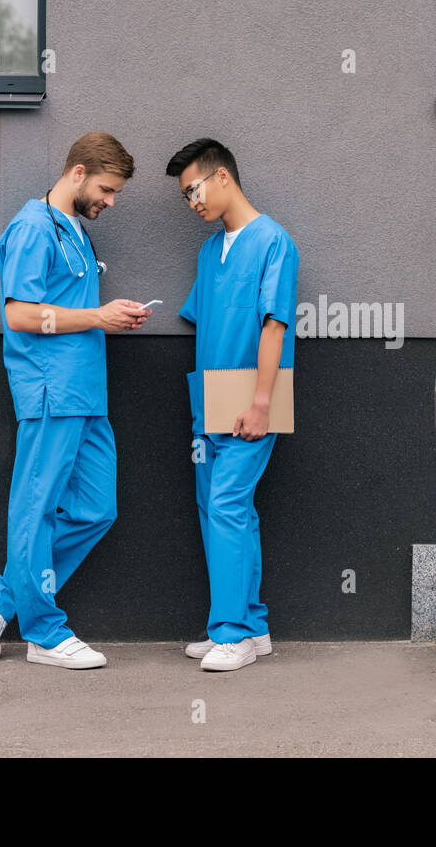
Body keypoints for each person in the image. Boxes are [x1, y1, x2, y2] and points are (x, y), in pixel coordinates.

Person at [0, 133, 151, 669]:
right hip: (50, 391)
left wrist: (109, 316)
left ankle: (3, 597)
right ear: (77, 173)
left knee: (97, 508)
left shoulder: (74, 229)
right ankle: (45, 632)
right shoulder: (32, 226)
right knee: (37, 507)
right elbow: (20, 315)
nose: (111, 202)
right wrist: (99, 316)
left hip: (86, 393)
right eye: (106, 189)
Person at [169, 139, 299, 672]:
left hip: (253, 400)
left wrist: (262, 403)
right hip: (209, 399)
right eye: (185, 196)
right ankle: (252, 623)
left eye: (193, 189)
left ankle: (231, 633)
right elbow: (203, 318)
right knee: (222, 511)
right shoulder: (208, 252)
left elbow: (275, 325)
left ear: (222, 177)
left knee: (225, 506)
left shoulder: (274, 243)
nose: (192, 202)